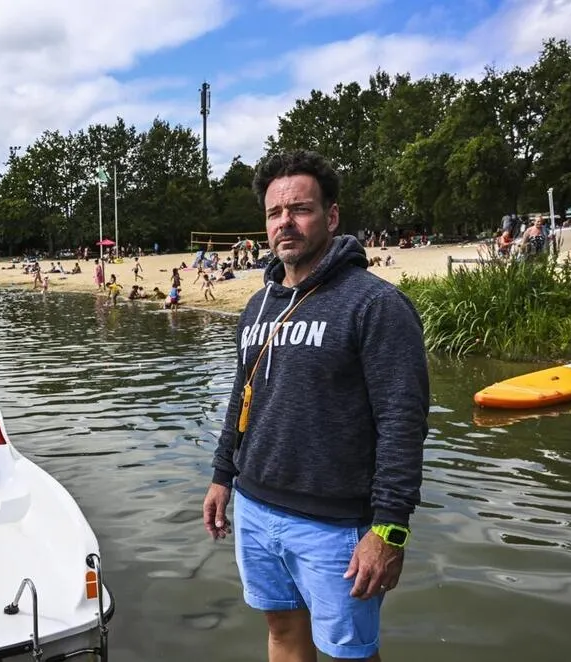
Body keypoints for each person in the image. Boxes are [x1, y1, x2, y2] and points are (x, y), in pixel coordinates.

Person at [202, 149, 429, 662]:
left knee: (351, 654)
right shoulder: (258, 305)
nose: (286, 222)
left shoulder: (374, 304)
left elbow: (402, 422)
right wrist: (222, 476)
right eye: (274, 213)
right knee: (282, 633)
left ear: (331, 216)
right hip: (257, 507)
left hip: (336, 525)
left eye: (300, 209)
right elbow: (243, 395)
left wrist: (389, 528)